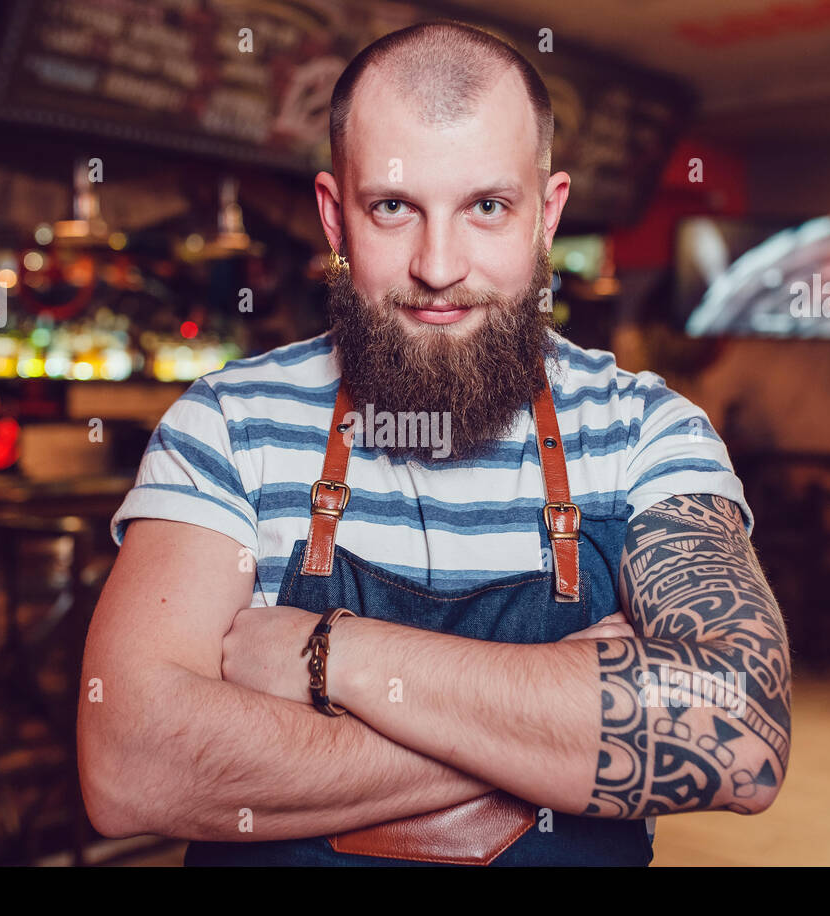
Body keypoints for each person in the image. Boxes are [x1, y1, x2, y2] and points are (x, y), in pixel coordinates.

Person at [77, 19, 791, 866]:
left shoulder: (645, 431)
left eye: (487, 207)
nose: (439, 265)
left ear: (546, 215)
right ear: (335, 218)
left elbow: (737, 735)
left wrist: (324, 654)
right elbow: (130, 765)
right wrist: (546, 731)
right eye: (393, 208)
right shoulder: (228, 424)